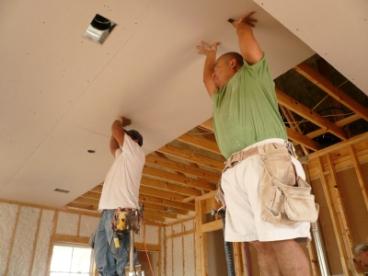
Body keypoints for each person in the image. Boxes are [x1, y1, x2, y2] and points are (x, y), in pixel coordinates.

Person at [197, 12, 318, 276]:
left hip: (265, 161)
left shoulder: (253, 75)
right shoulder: (220, 98)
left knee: (281, 237)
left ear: (232, 65)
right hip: (234, 172)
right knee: (259, 243)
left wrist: (240, 27)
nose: (214, 76)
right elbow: (206, 80)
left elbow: (250, 50)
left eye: (217, 68)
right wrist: (210, 53)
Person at [94, 117, 145, 276]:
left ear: (133, 141)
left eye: (126, 137)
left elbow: (116, 129)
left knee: (121, 254)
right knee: (102, 257)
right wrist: (116, 133)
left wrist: (120, 122)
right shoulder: (122, 157)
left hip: (121, 212)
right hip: (107, 213)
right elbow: (113, 144)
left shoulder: (135, 153)